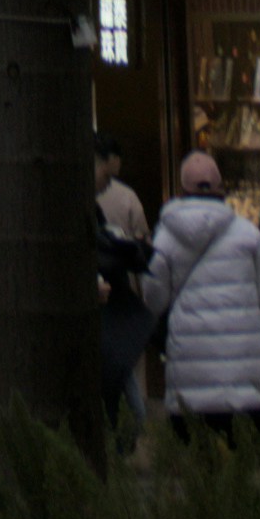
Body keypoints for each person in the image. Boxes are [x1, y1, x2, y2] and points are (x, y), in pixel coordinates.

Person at [140, 145, 260, 434]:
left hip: (190, 381)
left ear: (182, 190)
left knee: (197, 459)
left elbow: (153, 300)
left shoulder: (164, 239)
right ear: (219, 189)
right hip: (245, 381)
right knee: (248, 458)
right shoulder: (249, 235)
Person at [93, 150, 152, 424]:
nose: (109, 185)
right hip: (111, 312)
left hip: (112, 310)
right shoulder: (125, 198)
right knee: (129, 405)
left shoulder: (96, 207)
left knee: (126, 402)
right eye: (107, 176)